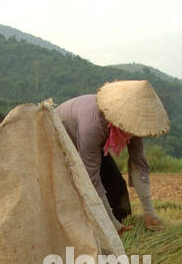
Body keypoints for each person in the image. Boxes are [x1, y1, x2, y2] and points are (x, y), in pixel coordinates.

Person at [56, 80, 169, 231]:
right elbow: (91, 178)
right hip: (59, 140)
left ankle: (121, 222)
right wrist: (113, 226)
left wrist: (149, 212)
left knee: (117, 186)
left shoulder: (132, 126)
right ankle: (106, 227)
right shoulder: (93, 125)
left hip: (90, 143)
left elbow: (138, 164)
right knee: (75, 190)